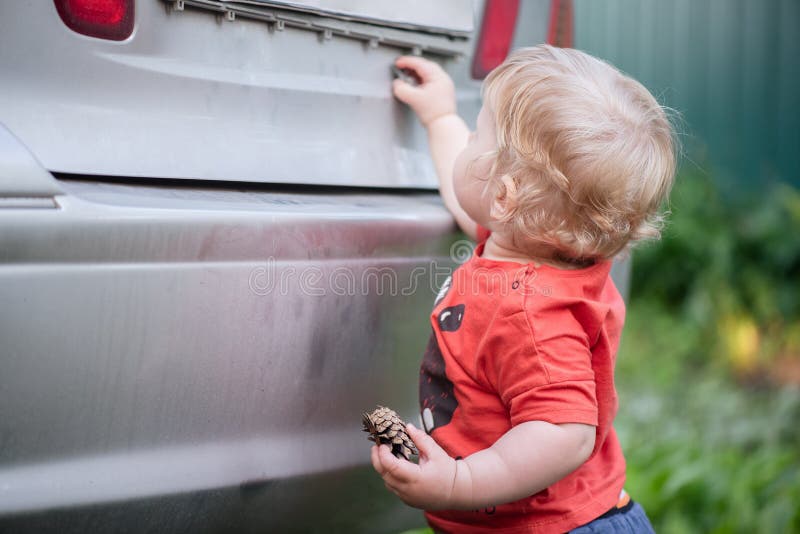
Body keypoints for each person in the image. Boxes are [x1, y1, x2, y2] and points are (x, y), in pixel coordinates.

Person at [370, 44, 676, 533]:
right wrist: (441, 118)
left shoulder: (532, 316)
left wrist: (460, 481)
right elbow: (468, 195)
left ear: (504, 196)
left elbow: (564, 432)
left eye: (476, 135)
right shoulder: (531, 246)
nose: (468, 142)